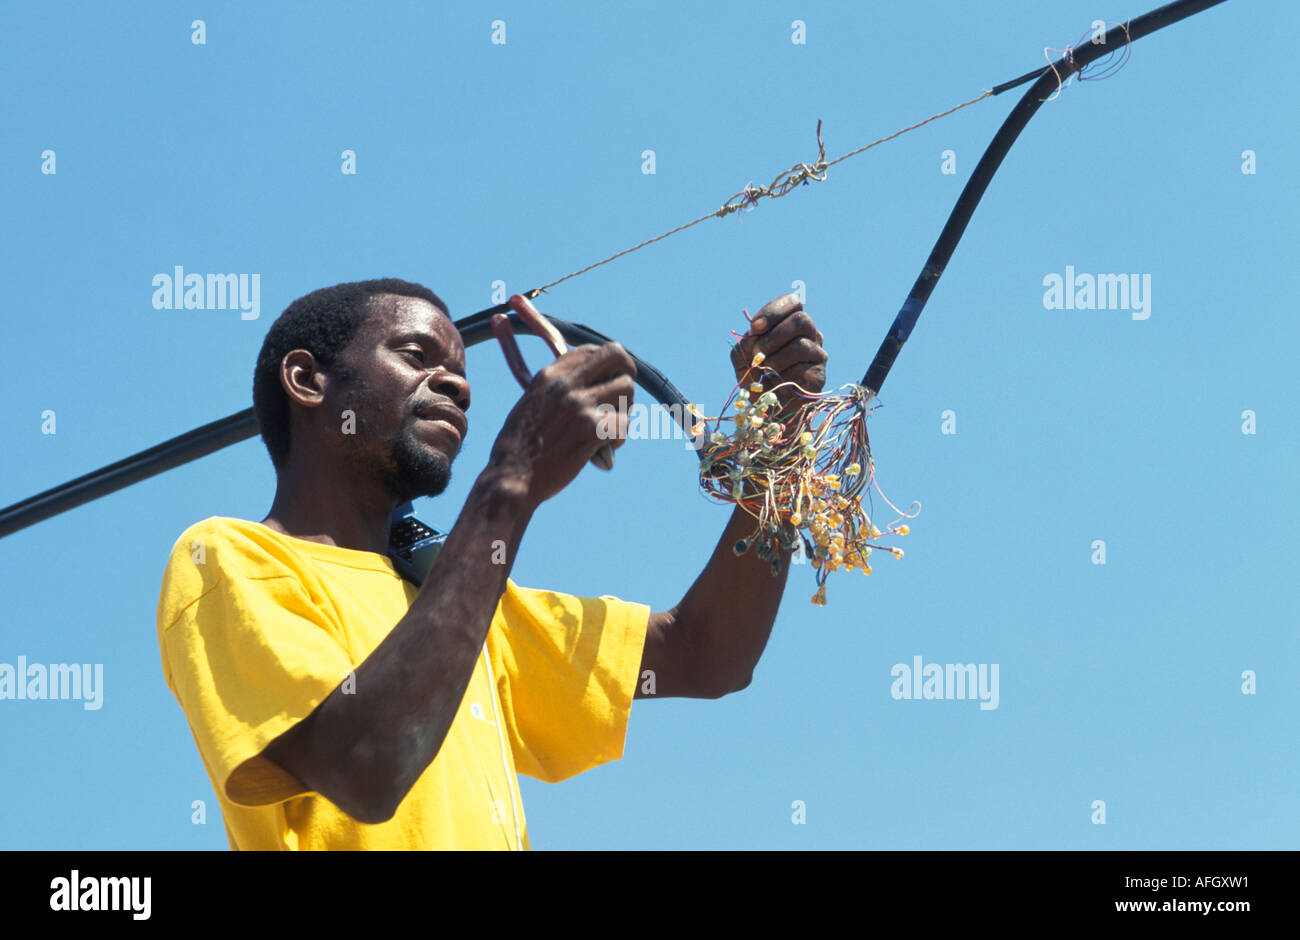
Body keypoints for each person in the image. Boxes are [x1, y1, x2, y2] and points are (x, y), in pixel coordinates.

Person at [156, 278, 827, 849]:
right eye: (416, 355)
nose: (455, 384)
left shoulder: (452, 602)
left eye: (462, 373)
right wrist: (511, 480)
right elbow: (365, 767)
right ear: (308, 380)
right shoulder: (228, 557)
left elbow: (709, 654)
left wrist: (783, 441)